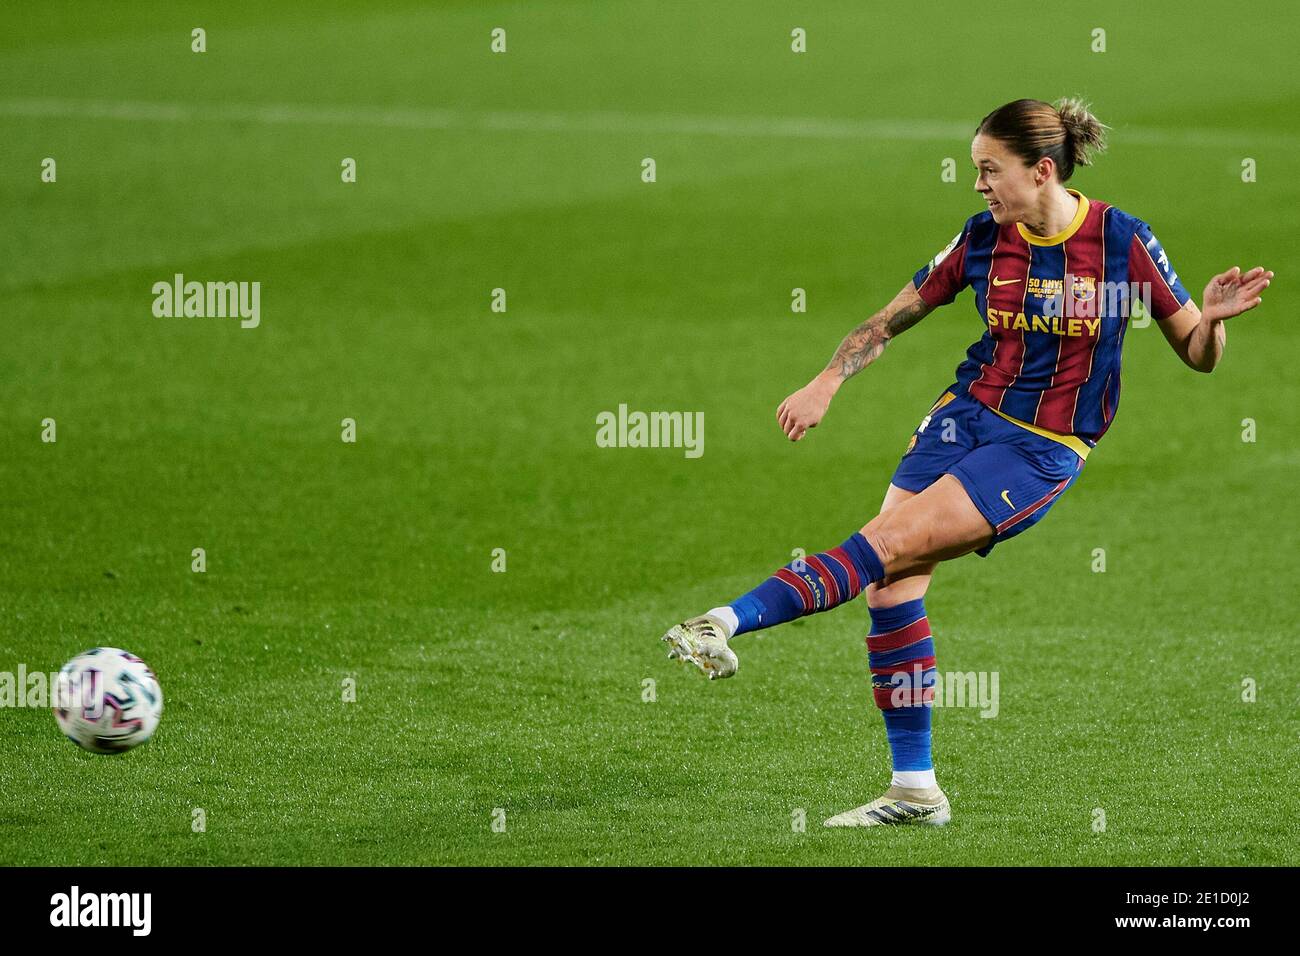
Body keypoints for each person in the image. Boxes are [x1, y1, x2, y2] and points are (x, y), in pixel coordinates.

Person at [661, 97, 1274, 828]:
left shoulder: (1121, 240)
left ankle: (723, 622)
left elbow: (1198, 358)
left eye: (991, 170)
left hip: (1043, 447)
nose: (978, 185)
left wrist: (1212, 321)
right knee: (888, 590)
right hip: (964, 419)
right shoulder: (984, 238)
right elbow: (891, 318)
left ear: (1041, 170)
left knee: (884, 548)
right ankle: (915, 791)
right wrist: (827, 379)